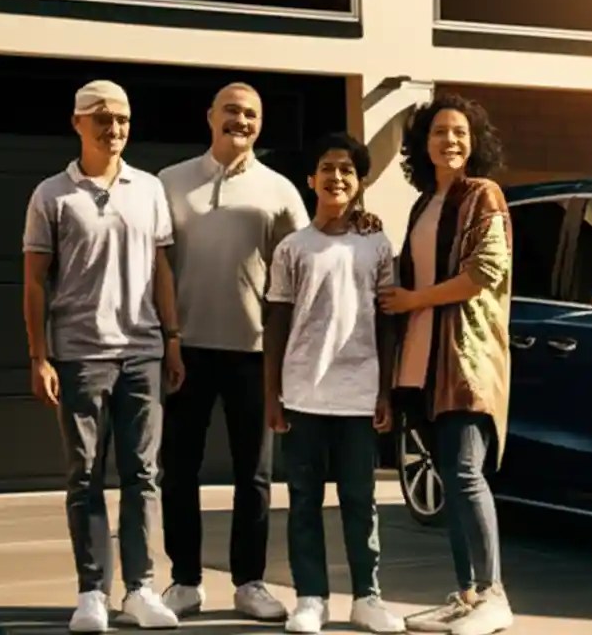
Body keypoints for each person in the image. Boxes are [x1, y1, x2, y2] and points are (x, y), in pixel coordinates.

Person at [21, 80, 184, 632]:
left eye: (122, 120)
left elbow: (162, 269)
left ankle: (139, 590)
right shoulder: (51, 194)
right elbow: (35, 282)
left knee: (143, 474)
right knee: (85, 475)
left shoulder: (150, 189)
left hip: (143, 353)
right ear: (78, 123)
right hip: (79, 356)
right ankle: (92, 591)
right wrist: (39, 356)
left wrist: (173, 338)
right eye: (102, 118)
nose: (114, 129)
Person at [156, 83, 305, 621]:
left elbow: (302, 270)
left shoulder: (281, 191)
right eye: (231, 111)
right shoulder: (168, 183)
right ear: (209, 116)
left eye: (251, 115)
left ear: (259, 125)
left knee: (256, 476)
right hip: (184, 350)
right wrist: (166, 337)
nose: (240, 121)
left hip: (254, 354)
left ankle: (250, 583)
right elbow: (155, 267)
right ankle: (185, 581)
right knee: (178, 469)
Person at [378, 93, 514, 635]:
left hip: (465, 360)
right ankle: (466, 594)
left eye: (460, 132)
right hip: (421, 364)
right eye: (439, 132)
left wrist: (414, 300)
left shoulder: (484, 195)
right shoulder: (422, 205)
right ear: (422, 144)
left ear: (474, 141)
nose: (450, 140)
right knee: (450, 482)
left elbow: (485, 271)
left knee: (464, 472)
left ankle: (495, 595)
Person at [264, 133, 404, 634]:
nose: (337, 177)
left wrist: (385, 390)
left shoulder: (377, 243)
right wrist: (272, 397)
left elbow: (389, 323)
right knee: (303, 500)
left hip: (359, 395)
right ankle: (310, 598)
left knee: (360, 501)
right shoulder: (291, 248)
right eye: (327, 168)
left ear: (360, 182)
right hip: (302, 394)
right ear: (311, 179)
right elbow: (276, 324)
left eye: (347, 169)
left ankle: (367, 597)